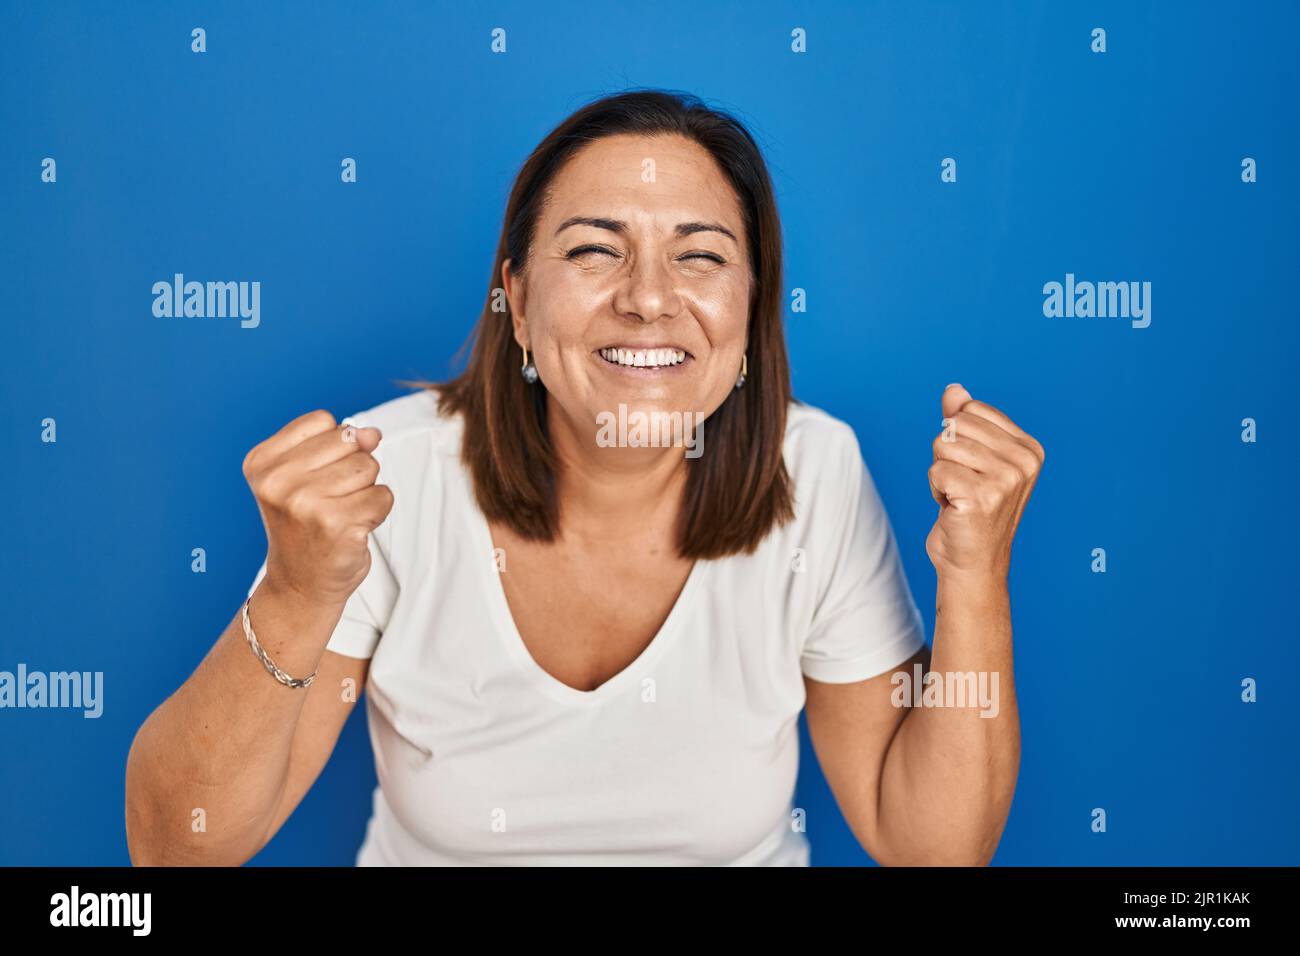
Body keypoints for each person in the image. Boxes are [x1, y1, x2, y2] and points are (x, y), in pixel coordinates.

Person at [125, 89, 1044, 866]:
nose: (648, 298)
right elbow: (178, 848)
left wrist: (975, 574)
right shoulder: (388, 476)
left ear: (752, 308)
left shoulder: (818, 471)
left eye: (700, 255)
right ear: (518, 301)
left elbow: (931, 844)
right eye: (595, 249)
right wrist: (296, 589)